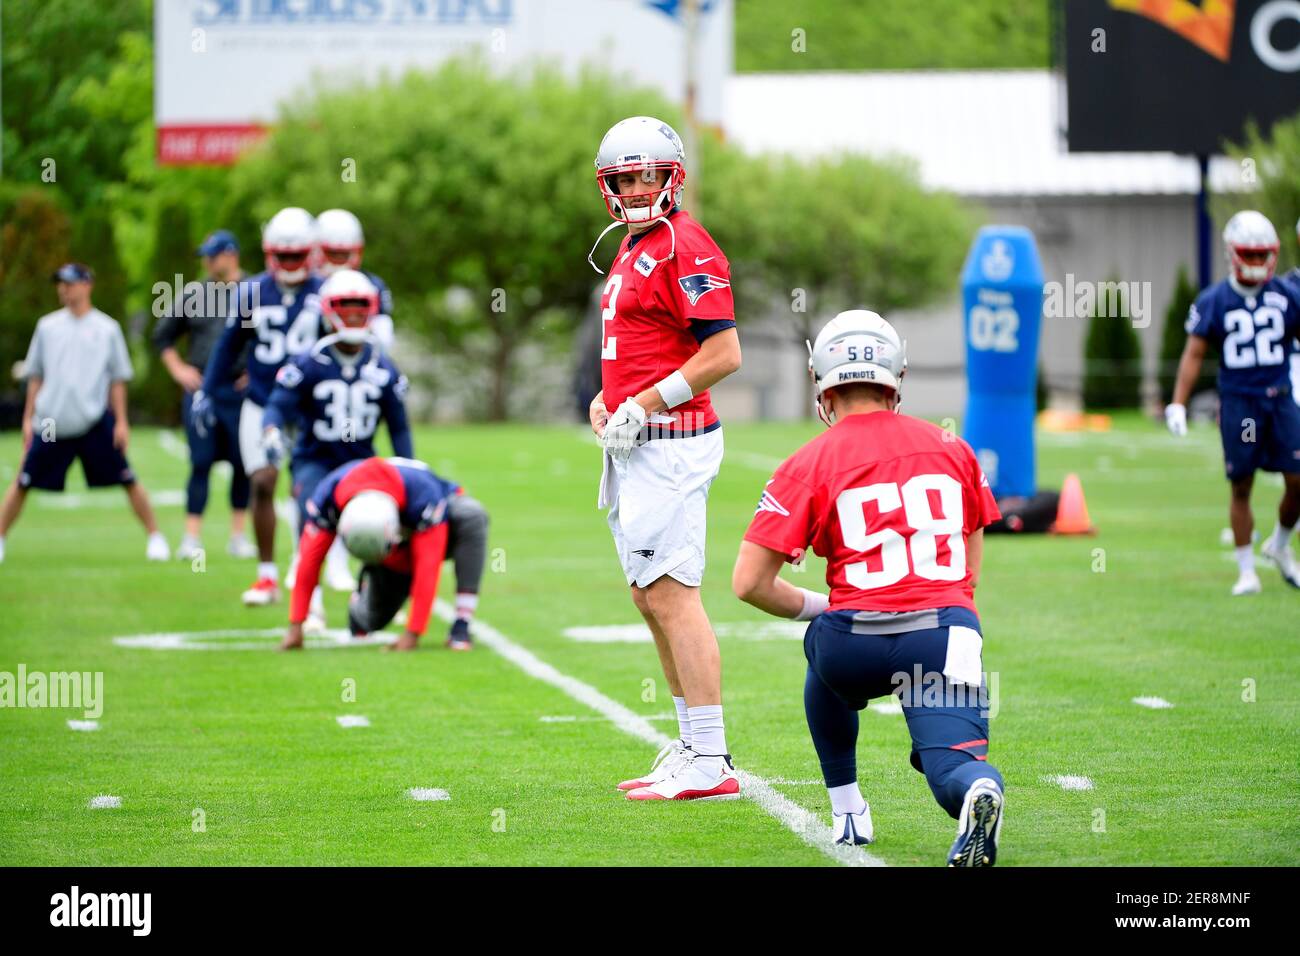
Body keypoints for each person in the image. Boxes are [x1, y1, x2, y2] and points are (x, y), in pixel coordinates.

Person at [733, 310, 1006, 865]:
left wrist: (823, 608)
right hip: (943, 631)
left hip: (853, 640)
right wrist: (953, 609)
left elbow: (749, 583)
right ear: (896, 376)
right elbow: (970, 548)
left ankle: (847, 806)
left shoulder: (808, 461)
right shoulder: (951, 447)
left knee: (821, 651)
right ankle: (978, 789)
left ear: (823, 382)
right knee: (950, 763)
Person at [586, 116, 743, 800]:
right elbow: (647, 347)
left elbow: (723, 353)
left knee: (674, 598)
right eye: (624, 176)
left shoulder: (687, 243)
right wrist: (606, 398)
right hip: (638, 445)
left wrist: (643, 404)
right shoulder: (633, 245)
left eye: (646, 173)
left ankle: (711, 758)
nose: (635, 186)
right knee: (649, 596)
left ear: (671, 174)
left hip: (671, 446)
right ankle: (689, 744)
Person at [261, 269, 414, 635]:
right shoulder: (309, 362)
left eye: (361, 309)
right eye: (346, 308)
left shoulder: (381, 366)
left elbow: (399, 425)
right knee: (311, 528)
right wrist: (270, 430)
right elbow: (277, 405)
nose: (354, 316)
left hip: (361, 465)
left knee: (381, 534)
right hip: (315, 460)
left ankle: (376, 602)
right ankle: (311, 606)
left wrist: (406, 465)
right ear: (329, 312)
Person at [194, 207, 326, 606]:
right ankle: (267, 575)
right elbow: (228, 345)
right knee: (263, 482)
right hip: (262, 401)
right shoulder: (251, 291)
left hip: (308, 407)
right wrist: (207, 389)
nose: (288, 263)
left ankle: (311, 575)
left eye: (295, 255)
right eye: (281, 256)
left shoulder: (323, 292)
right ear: (270, 253)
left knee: (309, 490)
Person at [1167, 210, 1300, 594]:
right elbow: (1193, 354)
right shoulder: (1215, 300)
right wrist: (1178, 402)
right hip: (1241, 404)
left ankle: (1279, 543)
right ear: (1233, 253)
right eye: (1249, 254)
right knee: (1242, 485)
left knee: (1298, 479)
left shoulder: (1287, 295)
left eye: (1263, 254)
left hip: (1281, 399)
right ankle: (1246, 570)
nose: (1257, 262)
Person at [0, 264, 169, 563]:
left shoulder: (107, 329)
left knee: (127, 478)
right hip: (52, 419)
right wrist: (29, 418)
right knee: (24, 480)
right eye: (60, 284)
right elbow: (35, 376)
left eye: (70, 283)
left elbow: (117, 378)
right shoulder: (47, 327)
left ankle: (156, 537)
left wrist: (121, 421)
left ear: (87, 285)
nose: (64, 289)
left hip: (92, 418)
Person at [281, 456, 489, 653]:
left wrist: (413, 633)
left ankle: (462, 622)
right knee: (367, 622)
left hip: (431, 527)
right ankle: (367, 584)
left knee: (472, 515)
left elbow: (428, 566)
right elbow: (309, 560)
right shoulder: (328, 496)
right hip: (395, 552)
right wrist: (295, 624)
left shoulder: (423, 496)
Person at [153, 229, 256, 561]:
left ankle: (238, 536)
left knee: (243, 464)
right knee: (200, 462)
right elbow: (163, 336)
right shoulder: (195, 293)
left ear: (231, 254)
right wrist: (179, 370)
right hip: (204, 391)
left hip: (241, 389)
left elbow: (272, 338)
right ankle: (191, 537)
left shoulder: (255, 291)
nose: (208, 263)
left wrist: (258, 372)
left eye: (213, 255)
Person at [314, 209, 395, 353]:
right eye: (332, 253)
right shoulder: (259, 285)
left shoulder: (371, 285)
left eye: (344, 254)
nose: (338, 261)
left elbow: (384, 340)